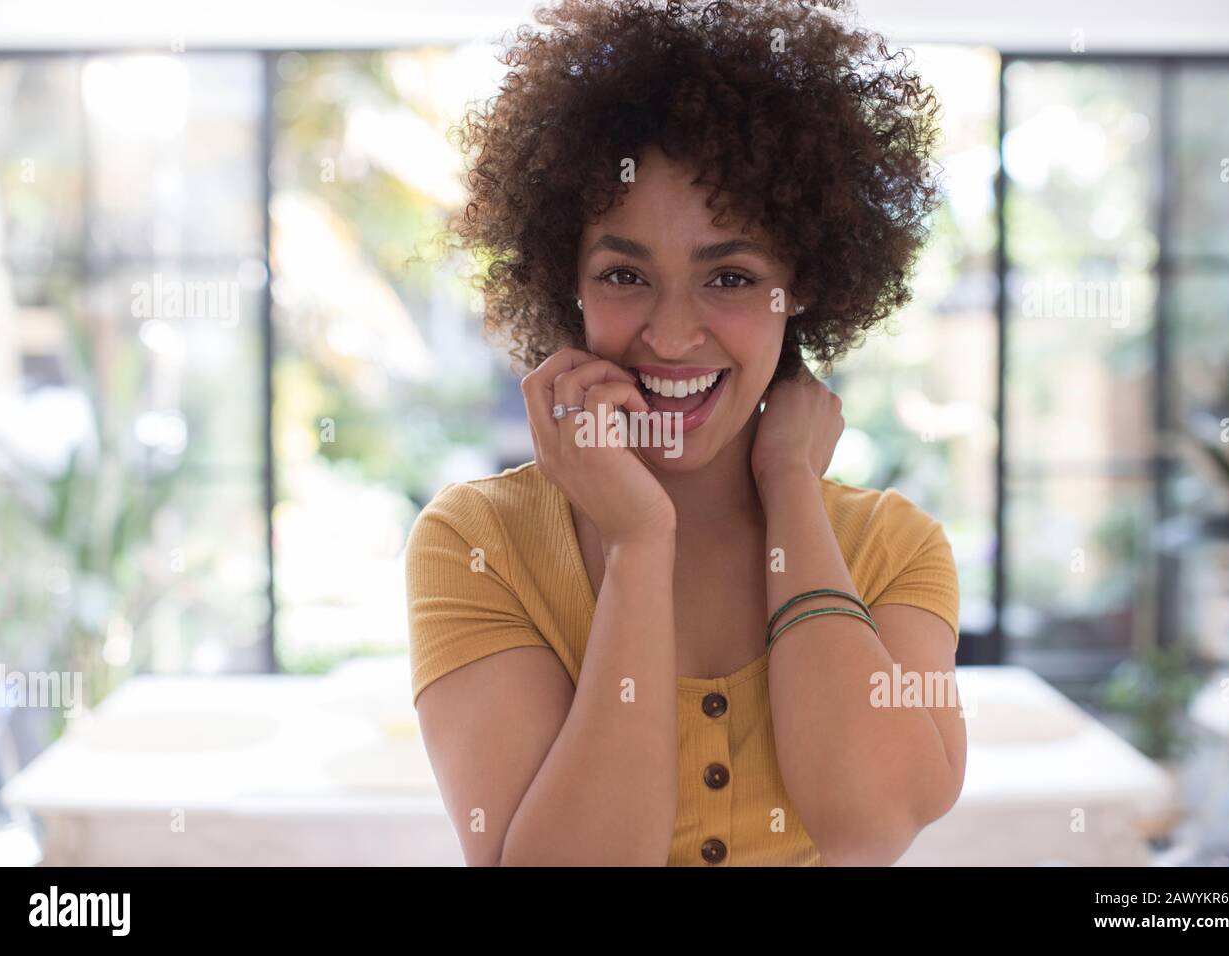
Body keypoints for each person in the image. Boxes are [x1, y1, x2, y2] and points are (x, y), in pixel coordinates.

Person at [406, 0, 964, 866]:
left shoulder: (892, 549)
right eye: (625, 274)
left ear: (803, 286)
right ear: (570, 283)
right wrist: (638, 543)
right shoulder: (477, 543)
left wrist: (790, 489)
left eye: (730, 277)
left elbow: (872, 823)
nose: (670, 336)